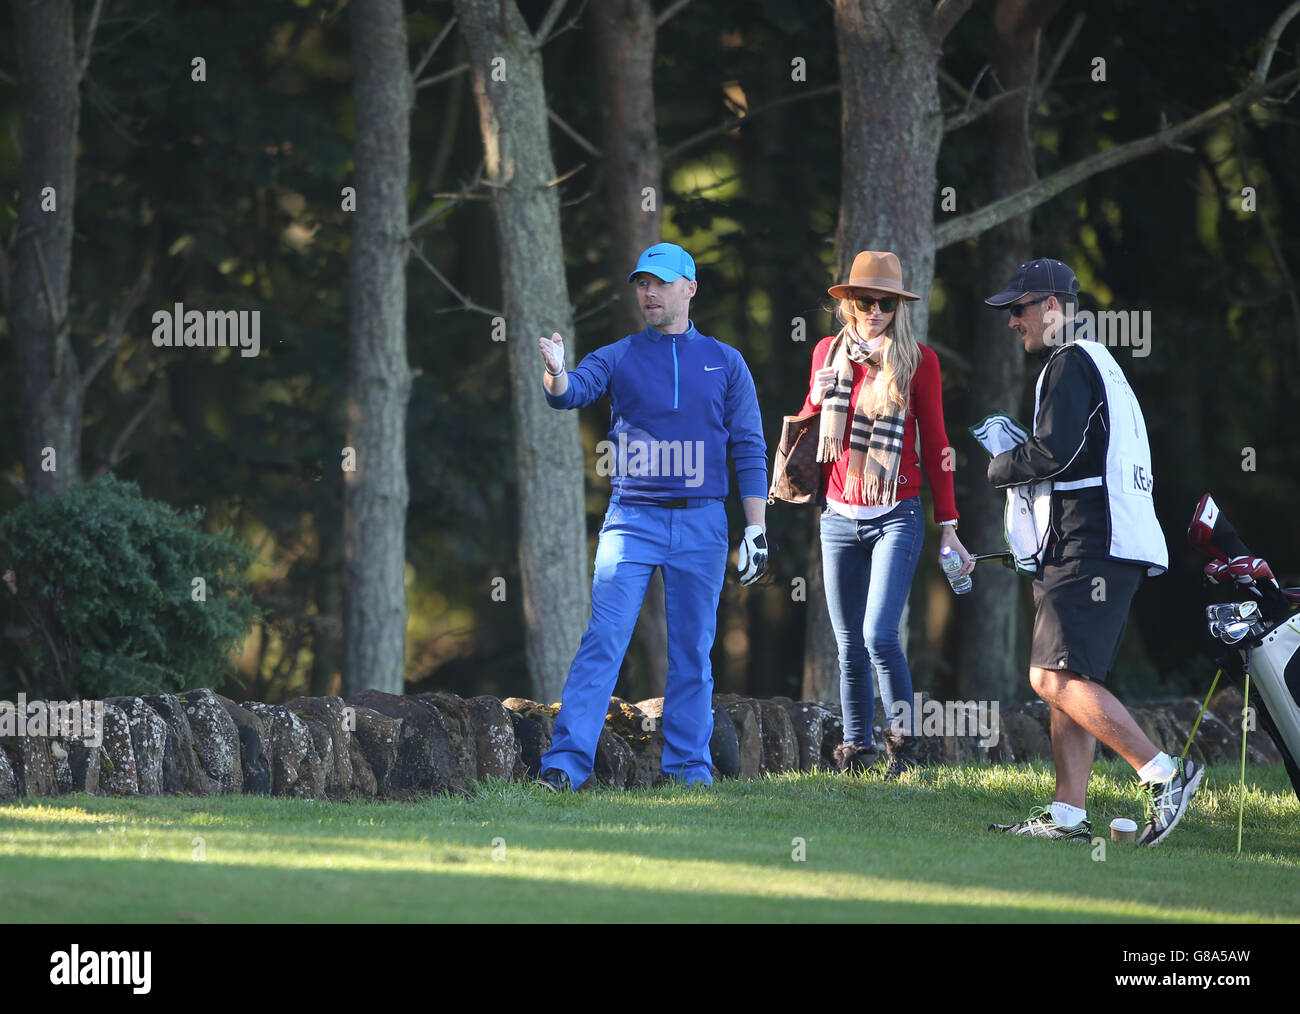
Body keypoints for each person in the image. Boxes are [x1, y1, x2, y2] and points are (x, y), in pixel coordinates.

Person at [533, 242, 769, 791]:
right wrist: (555, 373)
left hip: (703, 523)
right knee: (604, 641)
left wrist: (755, 527)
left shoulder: (726, 361)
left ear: (690, 287)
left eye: (661, 283)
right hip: (632, 520)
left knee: (693, 649)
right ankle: (564, 769)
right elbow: (570, 394)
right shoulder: (619, 355)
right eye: (642, 283)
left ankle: (689, 772)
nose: (649, 293)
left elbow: (750, 446)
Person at [983, 257, 1202, 845]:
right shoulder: (1098, 359)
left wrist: (1000, 465)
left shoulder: (1069, 362)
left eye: (1019, 308)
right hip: (1108, 540)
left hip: (1090, 542)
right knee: (1069, 674)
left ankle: (1164, 774)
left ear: (1052, 307)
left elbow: (1053, 452)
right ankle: (1068, 815)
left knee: (1046, 677)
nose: (1013, 321)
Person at [801, 250, 972, 779]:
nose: (875, 310)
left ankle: (904, 748)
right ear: (848, 303)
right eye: (865, 300)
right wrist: (814, 398)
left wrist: (949, 523)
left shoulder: (919, 360)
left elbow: (939, 443)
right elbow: (811, 418)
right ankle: (857, 751)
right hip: (837, 515)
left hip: (896, 512)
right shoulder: (827, 353)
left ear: (899, 306)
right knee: (848, 642)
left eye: (886, 302)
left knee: (879, 634)